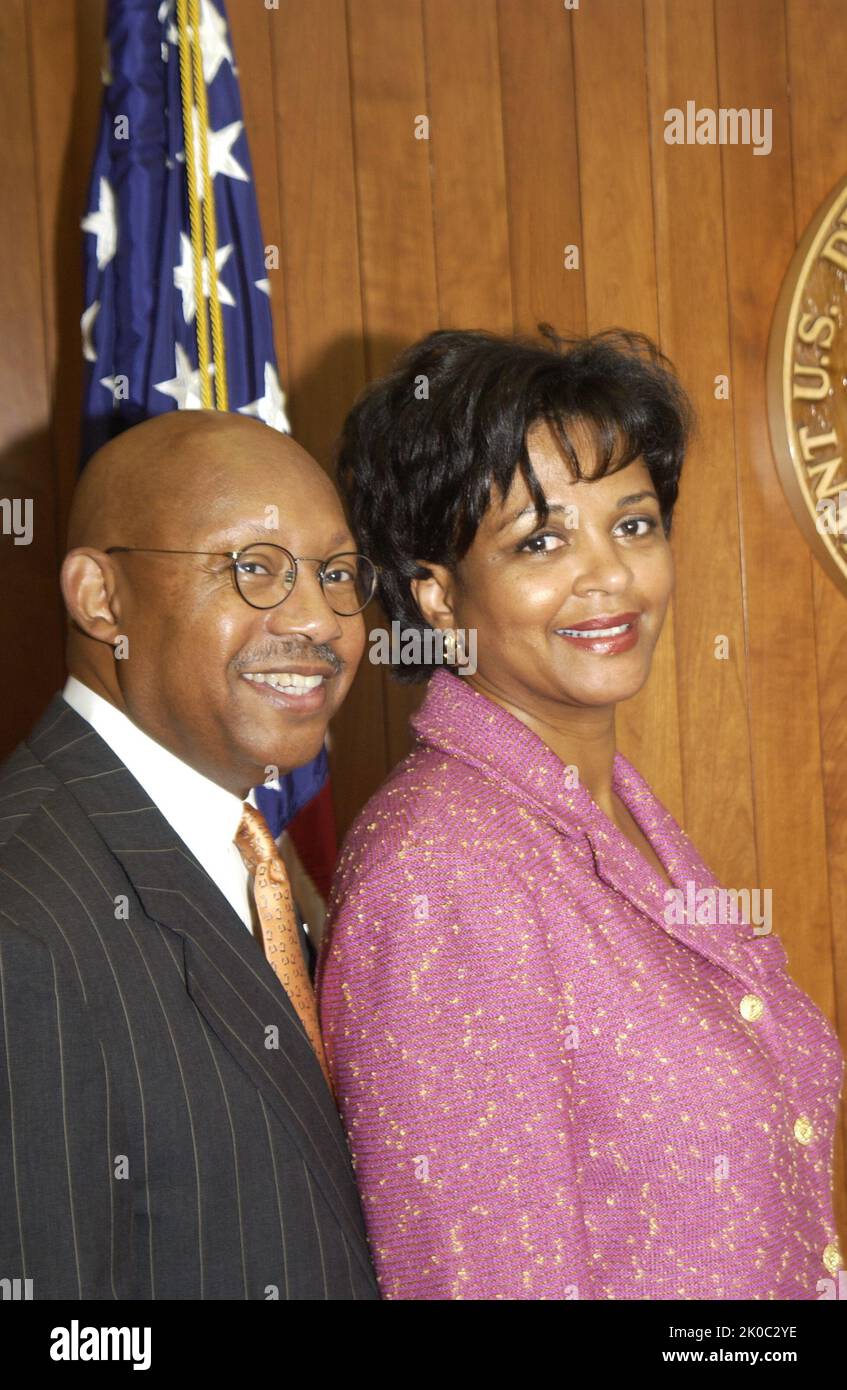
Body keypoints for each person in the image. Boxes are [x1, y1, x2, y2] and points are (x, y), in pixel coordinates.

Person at [317, 326, 845, 1300]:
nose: (608, 575)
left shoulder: (625, 820)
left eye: (633, 524)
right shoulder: (442, 871)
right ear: (435, 593)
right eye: (542, 540)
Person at [0, 408, 380, 1299]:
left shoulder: (250, 863)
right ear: (102, 598)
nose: (319, 620)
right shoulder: (24, 920)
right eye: (253, 569)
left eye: (335, 574)